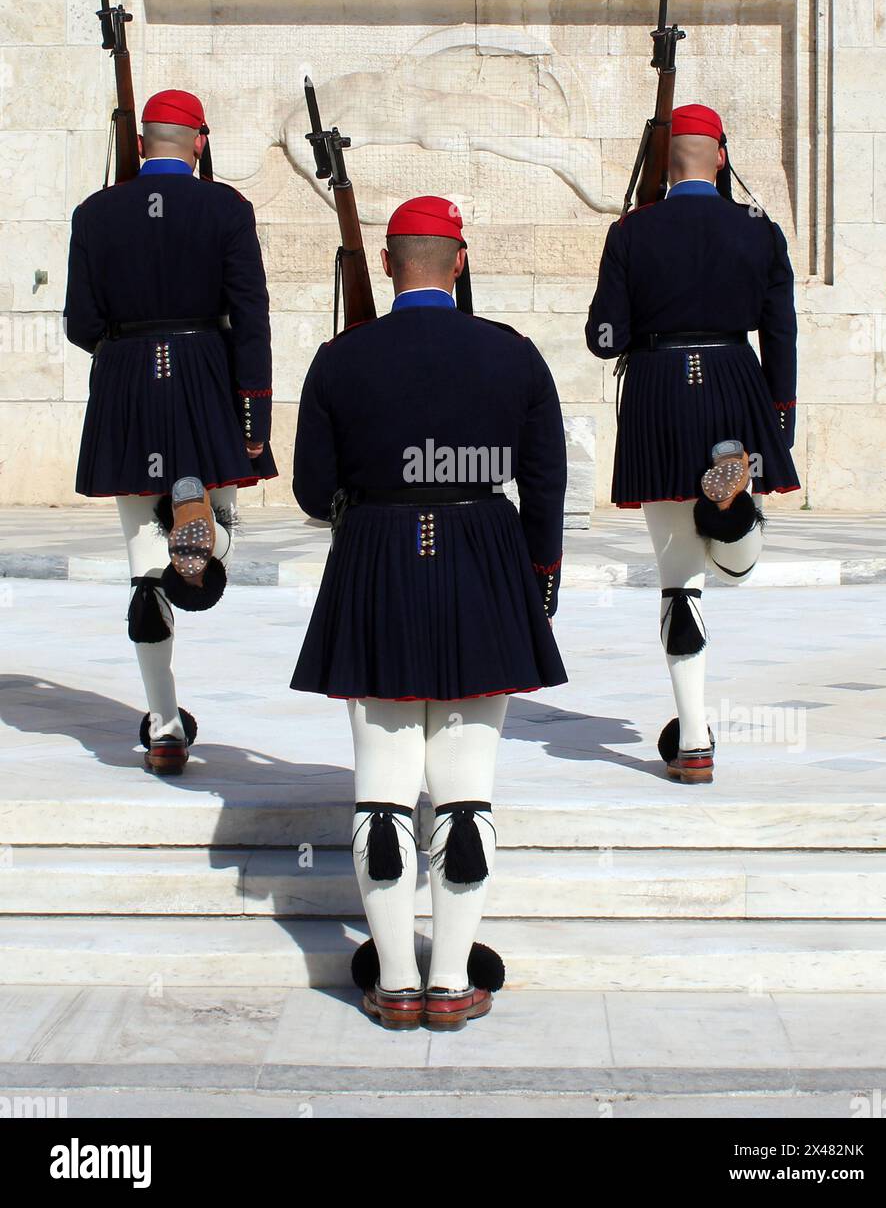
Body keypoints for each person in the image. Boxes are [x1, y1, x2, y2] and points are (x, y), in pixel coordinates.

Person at [291, 195, 567, 1029]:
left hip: (377, 553)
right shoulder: (512, 355)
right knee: (465, 792)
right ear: (460, 261)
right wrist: (538, 576)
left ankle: (395, 983)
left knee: (381, 792)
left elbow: (310, 490)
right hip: (485, 554)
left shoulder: (341, 359)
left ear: (385, 265)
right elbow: (545, 479)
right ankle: (450, 984)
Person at [585, 104, 799, 784]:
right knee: (735, 567)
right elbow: (782, 333)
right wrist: (779, 418)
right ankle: (734, 519)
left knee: (680, 582)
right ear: (722, 156)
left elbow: (605, 339)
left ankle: (696, 740)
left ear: (663, 165)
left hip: (659, 393)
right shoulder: (759, 231)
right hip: (734, 385)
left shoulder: (633, 231)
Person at [64, 89, 275, 774]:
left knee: (141, 562)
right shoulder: (225, 208)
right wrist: (254, 414)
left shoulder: (95, 213)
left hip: (129, 380)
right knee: (220, 524)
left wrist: (129, 347)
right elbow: (250, 314)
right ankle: (204, 522)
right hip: (207, 374)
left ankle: (163, 728)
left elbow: (81, 325)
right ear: (200, 144)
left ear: (140, 143)